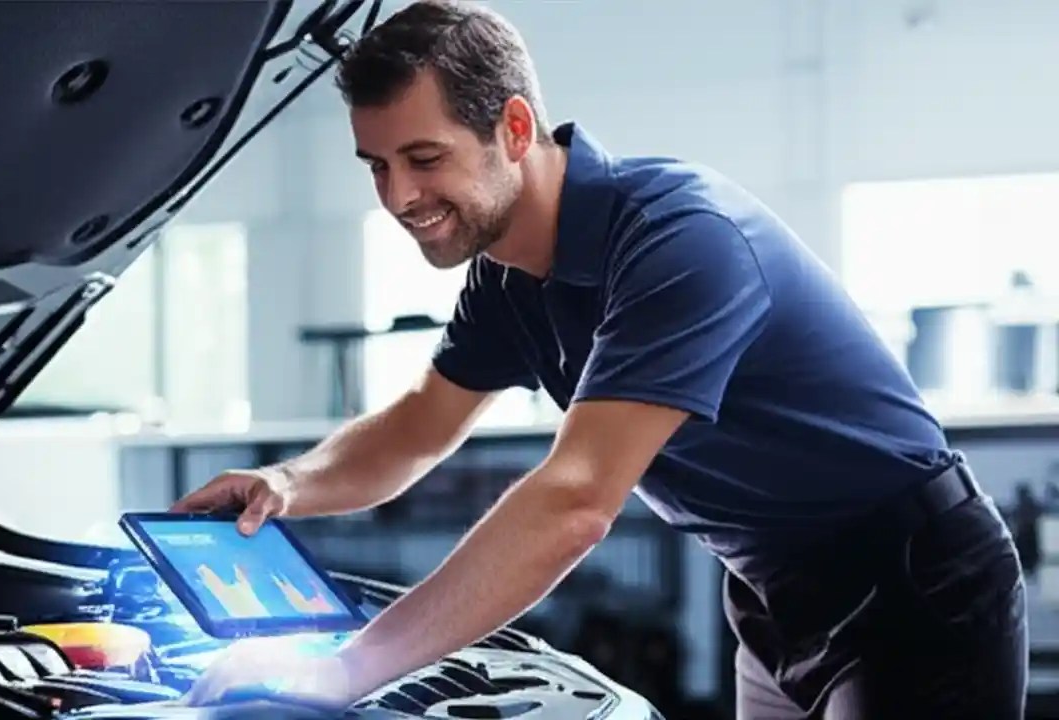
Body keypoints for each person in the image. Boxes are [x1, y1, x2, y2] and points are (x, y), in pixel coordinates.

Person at [172, 1, 1028, 717]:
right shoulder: (506, 275)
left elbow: (576, 501)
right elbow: (418, 428)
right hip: (771, 597)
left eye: (424, 159)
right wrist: (290, 482)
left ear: (513, 127)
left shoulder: (680, 240)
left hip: (913, 592)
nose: (399, 197)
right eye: (378, 167)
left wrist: (341, 672)